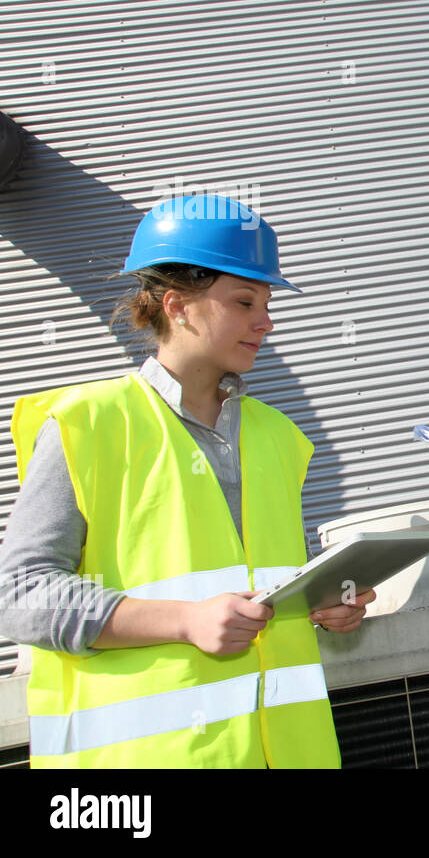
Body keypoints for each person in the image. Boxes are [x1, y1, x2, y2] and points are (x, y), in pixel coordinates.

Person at [0, 193, 373, 768]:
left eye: (267, 303)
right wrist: (185, 620)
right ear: (177, 306)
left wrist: (324, 603)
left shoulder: (276, 436)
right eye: (245, 300)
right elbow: (20, 596)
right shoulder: (87, 424)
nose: (265, 322)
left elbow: (257, 586)